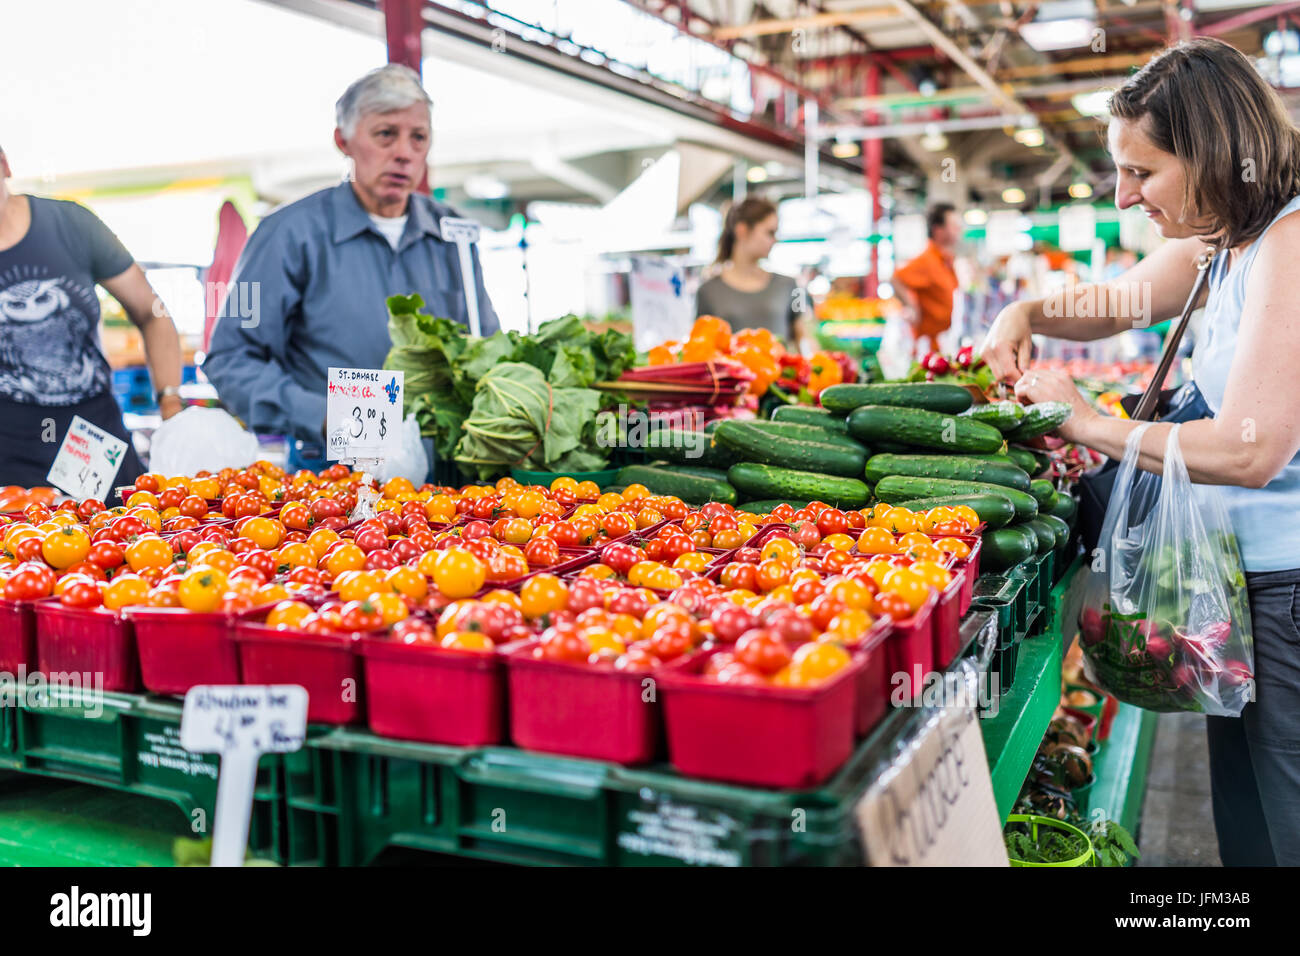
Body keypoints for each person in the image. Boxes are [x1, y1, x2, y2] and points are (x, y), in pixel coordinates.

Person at [981, 38, 1300, 866]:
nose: (1123, 197)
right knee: (1252, 828)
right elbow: (1123, 298)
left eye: (1142, 172)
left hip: (1290, 596)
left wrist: (1087, 422)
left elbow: (1247, 450)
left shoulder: (1290, 247)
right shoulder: (1228, 233)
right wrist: (1027, 313)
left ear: (1219, 155)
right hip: (1245, 587)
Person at [203, 64, 500, 471]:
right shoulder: (284, 234)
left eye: (419, 138)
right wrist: (323, 417)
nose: (404, 152)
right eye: (385, 134)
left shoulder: (454, 236)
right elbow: (230, 358)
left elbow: (488, 347)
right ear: (343, 140)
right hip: (332, 478)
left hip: (449, 483)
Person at [0, 143, 183, 489]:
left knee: (128, 537)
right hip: (9, 460)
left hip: (95, 445)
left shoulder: (72, 224)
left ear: (5, 165)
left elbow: (152, 311)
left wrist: (170, 402)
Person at [695, 198, 809, 349]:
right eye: (770, 233)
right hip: (730, 372)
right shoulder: (707, 291)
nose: (774, 240)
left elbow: (803, 336)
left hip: (778, 372)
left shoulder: (792, 286)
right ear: (742, 230)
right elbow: (701, 346)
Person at [893, 202, 962, 354]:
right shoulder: (927, 261)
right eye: (954, 225)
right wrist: (911, 306)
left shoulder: (945, 260)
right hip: (928, 351)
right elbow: (896, 279)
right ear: (938, 229)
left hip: (946, 343)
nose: (959, 229)